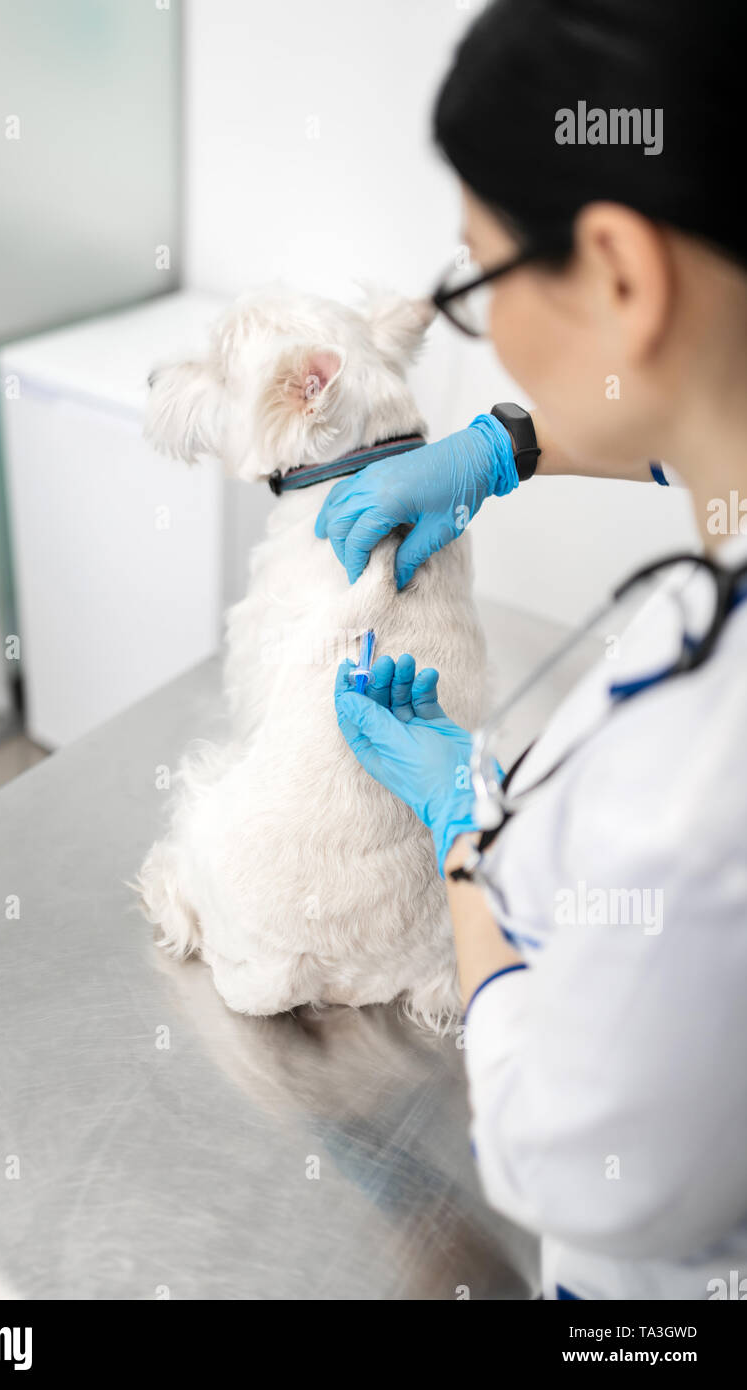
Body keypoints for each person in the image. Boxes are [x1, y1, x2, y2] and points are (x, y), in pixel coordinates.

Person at [316, 0, 747, 1300]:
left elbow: (558, 1148)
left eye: (476, 281)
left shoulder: (697, 808)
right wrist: (501, 447)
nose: (483, 329)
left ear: (617, 270)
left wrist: (467, 832)